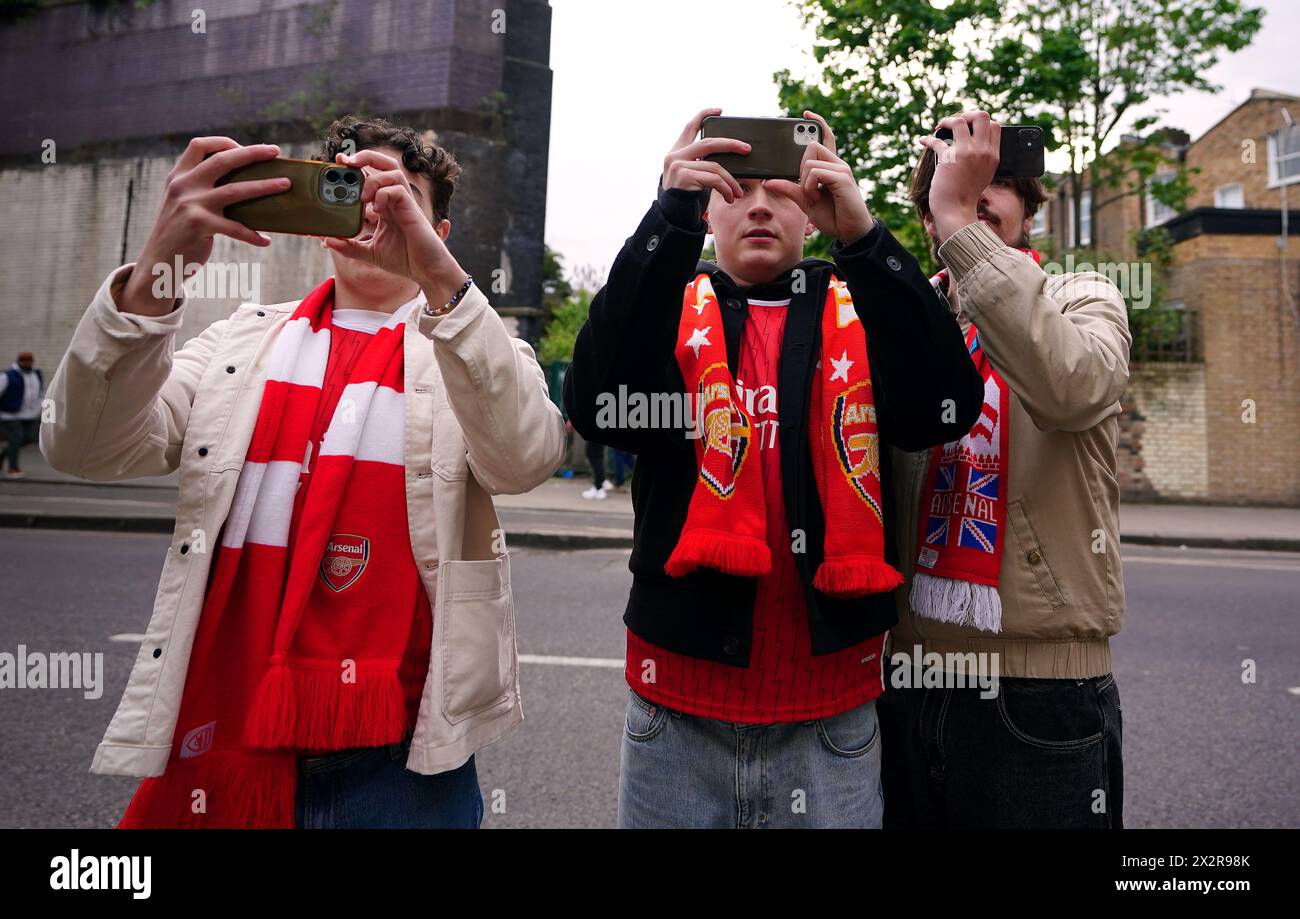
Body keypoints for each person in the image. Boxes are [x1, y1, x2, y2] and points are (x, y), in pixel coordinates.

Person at [40, 116, 566, 828]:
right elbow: (86, 445)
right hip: (228, 731)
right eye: (351, 186)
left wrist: (440, 280)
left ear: (438, 231)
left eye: (400, 195)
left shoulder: (472, 344)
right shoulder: (238, 341)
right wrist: (159, 263)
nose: (376, 207)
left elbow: (525, 456)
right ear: (320, 221)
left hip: (406, 761)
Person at [564, 108, 983, 828]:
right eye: (736, 187)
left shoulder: (862, 305)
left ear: (816, 207)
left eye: (782, 189)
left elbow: (942, 406)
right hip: (676, 721)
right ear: (707, 206)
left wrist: (865, 234)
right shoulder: (671, 304)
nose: (758, 204)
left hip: (830, 723)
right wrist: (666, 217)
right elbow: (601, 403)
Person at [879, 110, 1130, 829]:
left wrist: (962, 223)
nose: (977, 190)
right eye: (958, 183)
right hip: (908, 675)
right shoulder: (907, 317)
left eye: (995, 181)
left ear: (1028, 205)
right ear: (927, 217)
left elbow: (1073, 383)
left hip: (1041, 690)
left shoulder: (1084, 298)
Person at [0, 350, 44, 478]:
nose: (27, 364)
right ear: (19, 361)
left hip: (30, 415)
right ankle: (13, 468)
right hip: (10, 414)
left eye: (29, 361)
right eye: (24, 361)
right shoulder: (7, 375)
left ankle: (2, 455)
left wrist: (40, 410)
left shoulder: (36, 374)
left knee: (28, 438)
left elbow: (40, 393)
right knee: (16, 439)